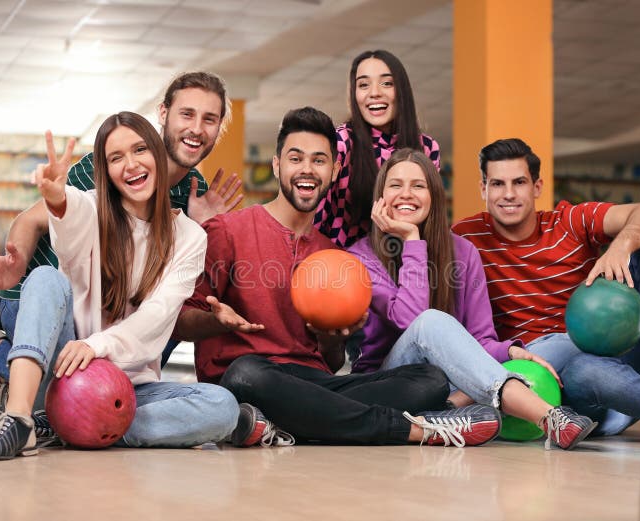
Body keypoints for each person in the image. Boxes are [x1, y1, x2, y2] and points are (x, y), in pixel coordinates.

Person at [175, 107, 497, 448]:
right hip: (250, 378)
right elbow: (182, 322)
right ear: (277, 165)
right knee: (247, 374)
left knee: (429, 380)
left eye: (319, 160)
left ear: (334, 170)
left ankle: (280, 423)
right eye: (296, 158)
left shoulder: (333, 254)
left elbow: (330, 362)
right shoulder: (227, 230)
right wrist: (216, 321)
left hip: (314, 385)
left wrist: (331, 339)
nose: (307, 169)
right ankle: (411, 430)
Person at [0, 72, 243, 424]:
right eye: (187, 114)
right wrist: (18, 260)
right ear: (163, 113)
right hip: (40, 300)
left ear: (219, 127)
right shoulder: (103, 170)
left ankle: (91, 417)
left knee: (166, 323)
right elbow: (38, 217)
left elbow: (166, 302)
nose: (196, 128)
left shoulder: (195, 194)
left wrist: (204, 225)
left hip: (113, 319)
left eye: (209, 119)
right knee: (48, 285)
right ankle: (6, 362)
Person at [348, 148, 596, 450]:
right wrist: (412, 240)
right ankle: (547, 417)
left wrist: (511, 351)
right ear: (380, 197)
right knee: (430, 322)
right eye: (395, 185)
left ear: (433, 195)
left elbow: (480, 340)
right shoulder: (360, 258)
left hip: (448, 380)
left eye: (418, 185)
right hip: (389, 383)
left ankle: (449, 411)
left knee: (560, 345)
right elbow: (410, 319)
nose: (406, 194)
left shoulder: (463, 253)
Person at [452, 138, 640, 436]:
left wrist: (621, 245)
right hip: (574, 385)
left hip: (619, 351)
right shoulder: (465, 238)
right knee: (585, 371)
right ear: (484, 189)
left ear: (537, 187)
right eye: (497, 184)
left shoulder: (569, 222)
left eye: (519, 182)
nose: (508, 194)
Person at [313, 49, 440, 248]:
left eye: (387, 83)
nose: (374, 93)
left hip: (407, 257)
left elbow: (431, 220)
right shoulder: (341, 142)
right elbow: (314, 219)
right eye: (363, 85)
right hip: (341, 260)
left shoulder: (427, 147)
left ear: (402, 91)